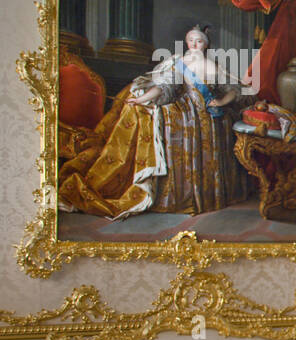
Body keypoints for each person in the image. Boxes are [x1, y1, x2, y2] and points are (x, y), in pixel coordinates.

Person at [59, 25, 250, 219]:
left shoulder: (214, 66)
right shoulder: (179, 63)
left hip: (209, 116)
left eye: (198, 41)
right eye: (190, 40)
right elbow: (164, 87)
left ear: (205, 44)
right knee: (156, 113)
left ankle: (207, 197)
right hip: (184, 108)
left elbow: (234, 90)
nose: (194, 44)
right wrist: (141, 100)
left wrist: (221, 101)